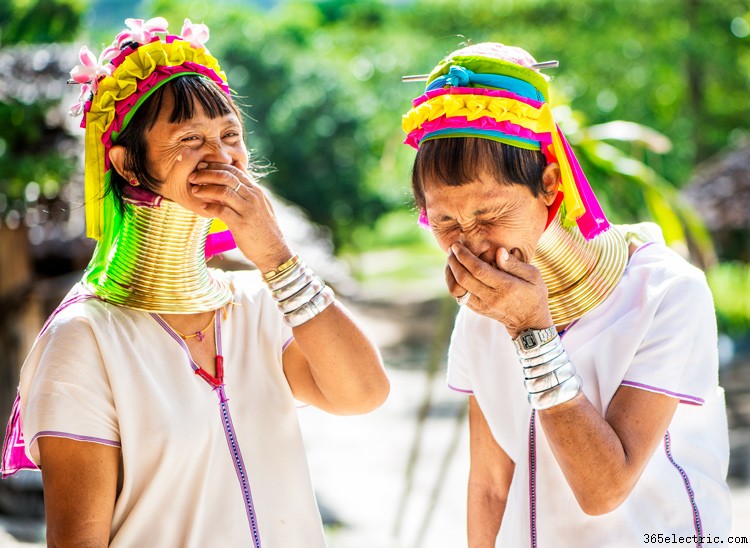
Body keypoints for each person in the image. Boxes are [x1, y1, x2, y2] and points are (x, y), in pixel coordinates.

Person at [0, 17, 389, 547]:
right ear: (128, 165)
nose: (222, 156)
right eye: (190, 138)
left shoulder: (257, 306)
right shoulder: (86, 339)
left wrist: (275, 256)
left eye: (231, 135)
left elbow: (363, 393)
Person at [401, 42, 731, 547]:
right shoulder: (480, 312)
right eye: (445, 221)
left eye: (490, 215)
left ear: (550, 181)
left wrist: (531, 331)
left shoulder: (666, 293)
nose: (471, 242)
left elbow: (604, 490)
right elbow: (490, 484)